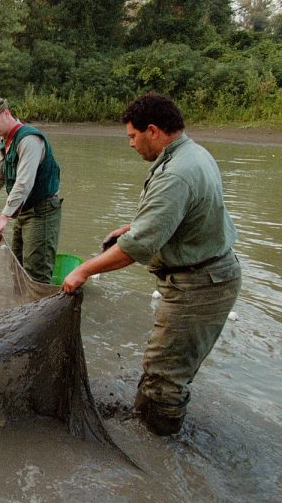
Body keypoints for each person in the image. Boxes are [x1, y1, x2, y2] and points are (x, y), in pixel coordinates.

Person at [62, 92, 242, 436]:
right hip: (208, 276)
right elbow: (185, 215)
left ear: (154, 131)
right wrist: (133, 226)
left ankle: (159, 447)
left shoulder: (176, 173)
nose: (130, 143)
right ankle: (152, 427)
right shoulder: (193, 154)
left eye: (133, 136)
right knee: (165, 366)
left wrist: (84, 270)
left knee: (164, 379)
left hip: (200, 285)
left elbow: (135, 249)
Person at [0, 98, 62, 284]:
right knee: (17, 266)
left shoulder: (29, 140)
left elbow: (24, 182)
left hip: (42, 212)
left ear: (6, 114)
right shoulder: (6, 141)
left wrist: (4, 217)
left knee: (36, 274)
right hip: (23, 211)